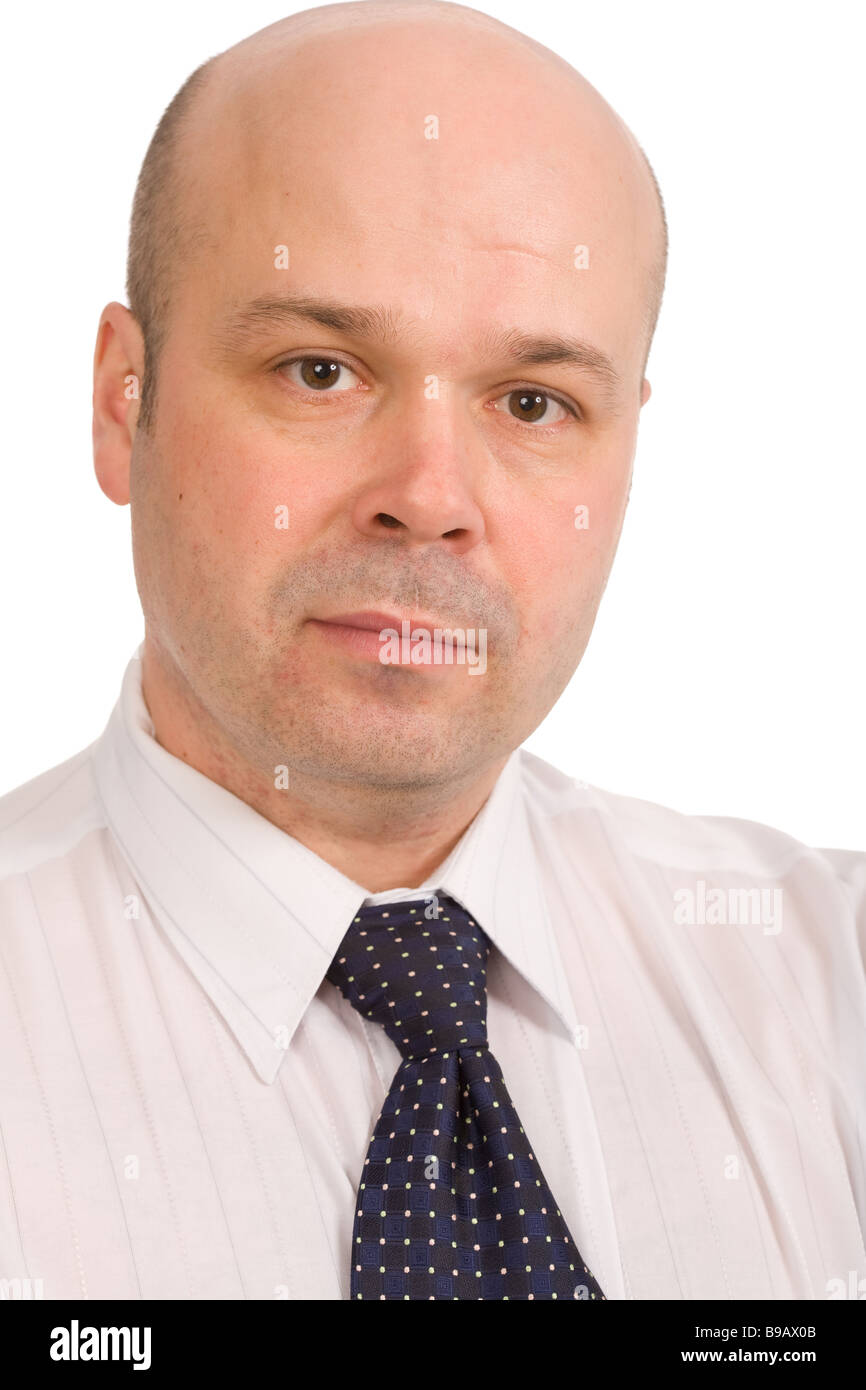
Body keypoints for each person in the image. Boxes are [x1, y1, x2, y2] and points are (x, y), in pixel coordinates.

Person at [0, 0, 863, 1302]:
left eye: (532, 401)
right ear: (126, 401)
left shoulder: (826, 980)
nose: (428, 493)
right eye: (318, 370)